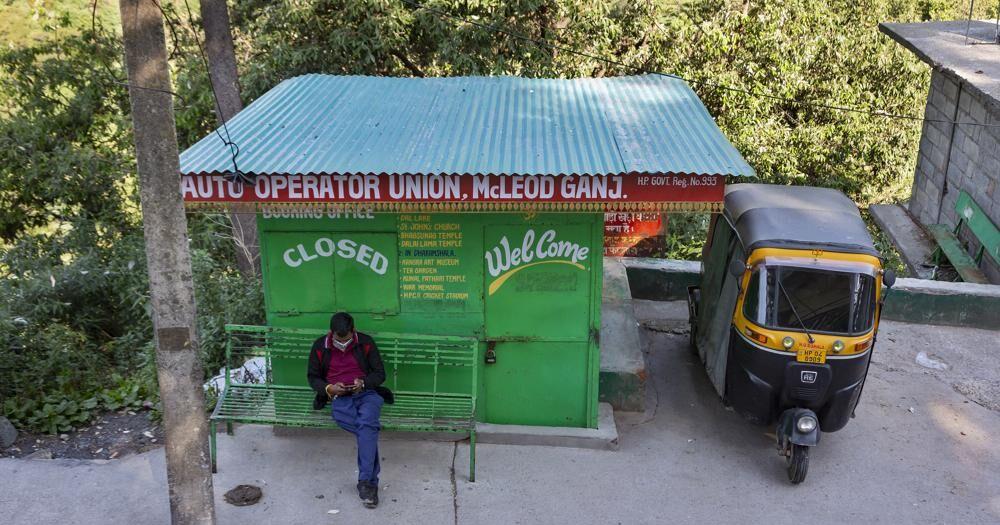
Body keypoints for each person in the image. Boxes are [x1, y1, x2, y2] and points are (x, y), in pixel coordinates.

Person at [307, 312, 390, 509]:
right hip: (340, 396)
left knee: (367, 424)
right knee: (367, 429)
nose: (341, 343)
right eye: (338, 339)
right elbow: (313, 377)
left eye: (346, 339)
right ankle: (369, 483)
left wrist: (364, 383)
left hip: (367, 394)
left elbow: (380, 374)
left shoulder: (366, 343)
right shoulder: (320, 346)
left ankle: (367, 483)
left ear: (353, 331)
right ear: (331, 333)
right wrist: (329, 389)